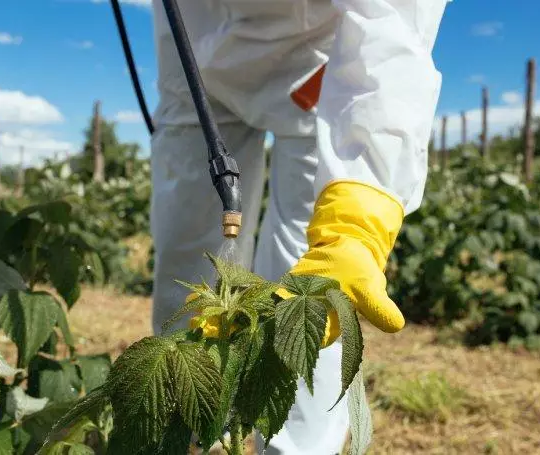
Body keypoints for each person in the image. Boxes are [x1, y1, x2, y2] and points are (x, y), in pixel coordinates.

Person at [149, 0, 450, 453]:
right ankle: (185, 429)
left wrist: (355, 219)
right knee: (186, 257)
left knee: (308, 281)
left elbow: (395, 24)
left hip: (317, 57)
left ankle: (294, 446)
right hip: (191, 38)